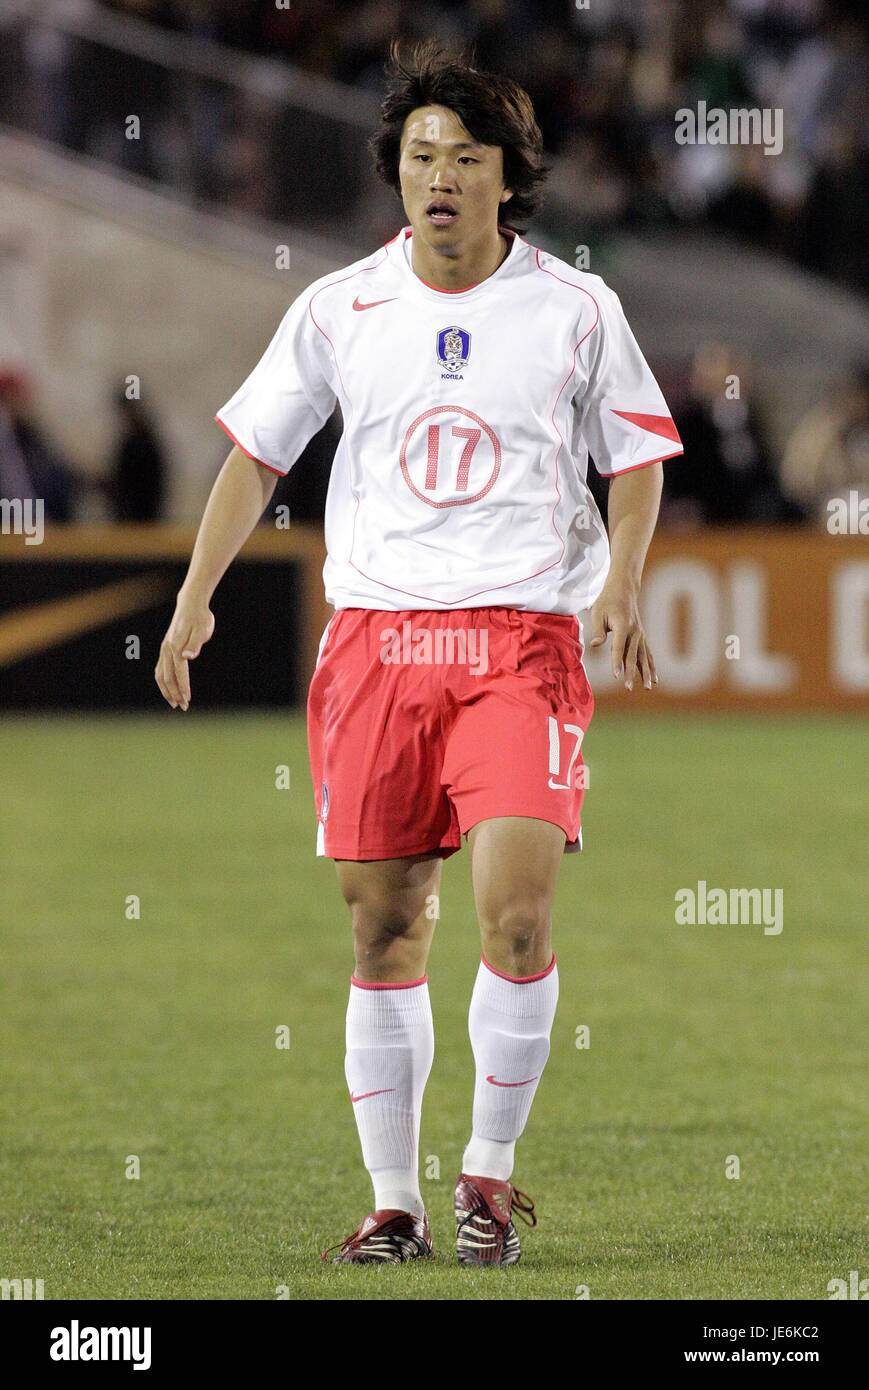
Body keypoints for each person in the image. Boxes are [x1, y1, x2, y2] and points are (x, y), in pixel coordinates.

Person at [154, 41, 683, 1268]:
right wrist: (193, 597)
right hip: (376, 648)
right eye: (416, 156)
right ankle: (393, 1202)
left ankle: (484, 1181)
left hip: (517, 645)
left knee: (513, 915)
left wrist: (619, 582)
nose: (435, 176)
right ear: (395, 172)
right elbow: (254, 457)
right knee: (384, 930)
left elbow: (639, 454)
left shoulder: (573, 308)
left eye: (461, 157)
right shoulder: (339, 306)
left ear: (509, 176)